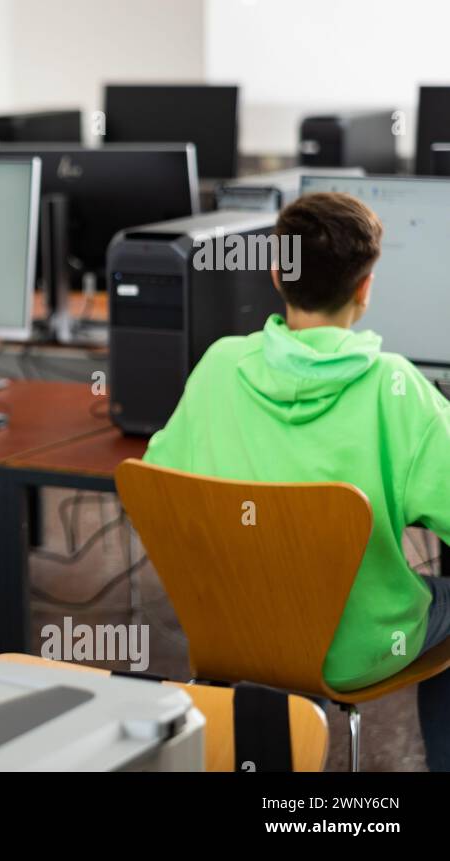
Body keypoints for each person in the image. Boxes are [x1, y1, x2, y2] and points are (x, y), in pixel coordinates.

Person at [144, 191, 450, 770]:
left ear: (277, 274)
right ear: (365, 288)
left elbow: (158, 487)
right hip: (354, 650)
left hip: (231, 636)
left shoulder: (219, 366)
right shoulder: (397, 388)